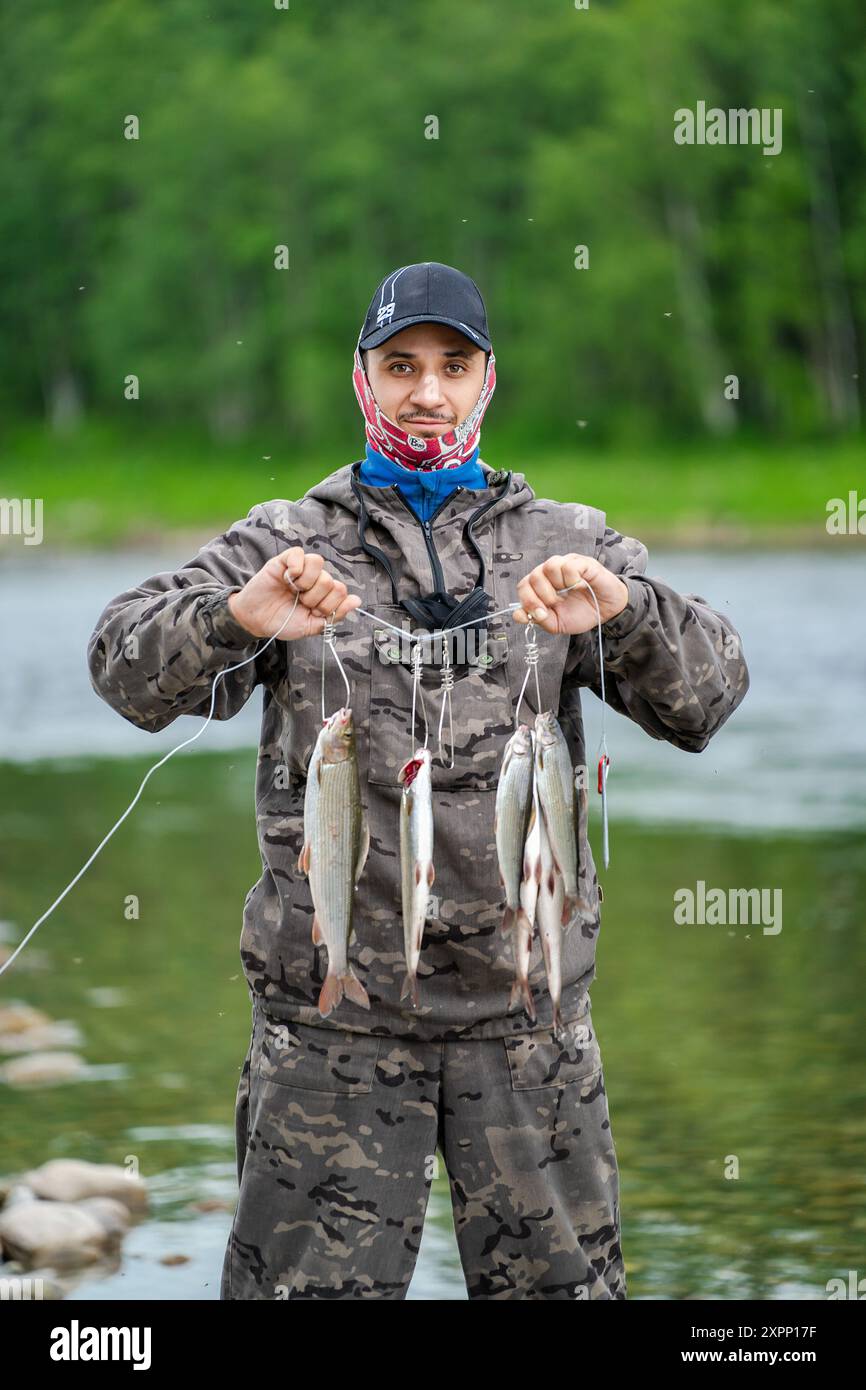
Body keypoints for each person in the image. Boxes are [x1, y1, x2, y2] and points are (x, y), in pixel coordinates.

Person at [87, 261, 750, 1300]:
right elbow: (120, 667)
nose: (426, 393)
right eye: (400, 366)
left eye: (452, 365)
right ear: (363, 382)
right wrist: (235, 617)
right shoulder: (285, 539)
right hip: (327, 1037)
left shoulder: (566, 542)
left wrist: (621, 613)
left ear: (489, 380)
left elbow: (706, 697)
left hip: (529, 1029)